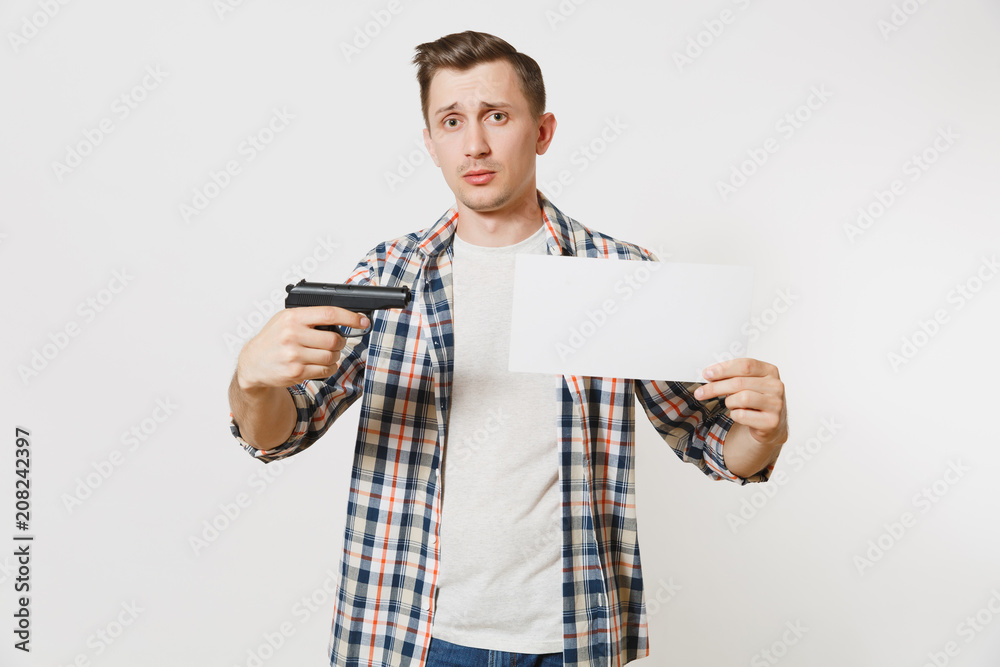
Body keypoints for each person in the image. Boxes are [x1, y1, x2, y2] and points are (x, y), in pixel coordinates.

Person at [227, 30, 788, 667]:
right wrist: (252, 383)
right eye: (452, 121)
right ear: (430, 142)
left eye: (496, 116)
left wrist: (763, 432)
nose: (475, 144)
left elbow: (712, 442)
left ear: (542, 132)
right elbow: (280, 433)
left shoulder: (617, 275)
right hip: (412, 636)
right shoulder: (388, 274)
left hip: (570, 641)